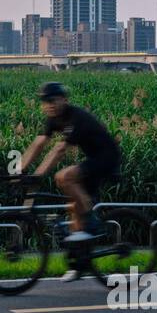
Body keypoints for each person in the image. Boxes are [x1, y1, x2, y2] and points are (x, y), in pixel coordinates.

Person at [18, 81, 122, 281]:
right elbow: (38, 144)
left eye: (52, 100)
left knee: (63, 176)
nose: (48, 105)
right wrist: (18, 170)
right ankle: (79, 264)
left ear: (64, 100)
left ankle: (91, 222)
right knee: (73, 208)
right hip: (93, 159)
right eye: (44, 101)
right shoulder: (53, 119)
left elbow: (59, 150)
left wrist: (37, 176)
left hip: (107, 157)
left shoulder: (76, 118)